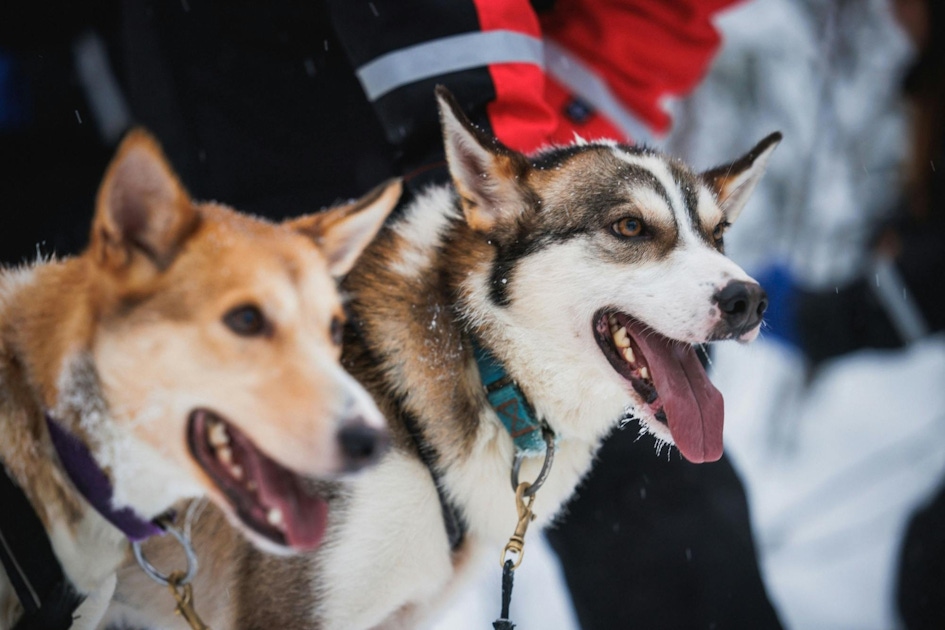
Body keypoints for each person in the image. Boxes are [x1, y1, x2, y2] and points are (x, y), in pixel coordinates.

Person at [1, 2, 784, 627]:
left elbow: (655, 21)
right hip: (288, 119)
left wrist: (544, 143)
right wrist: (514, 158)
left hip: (406, 130)